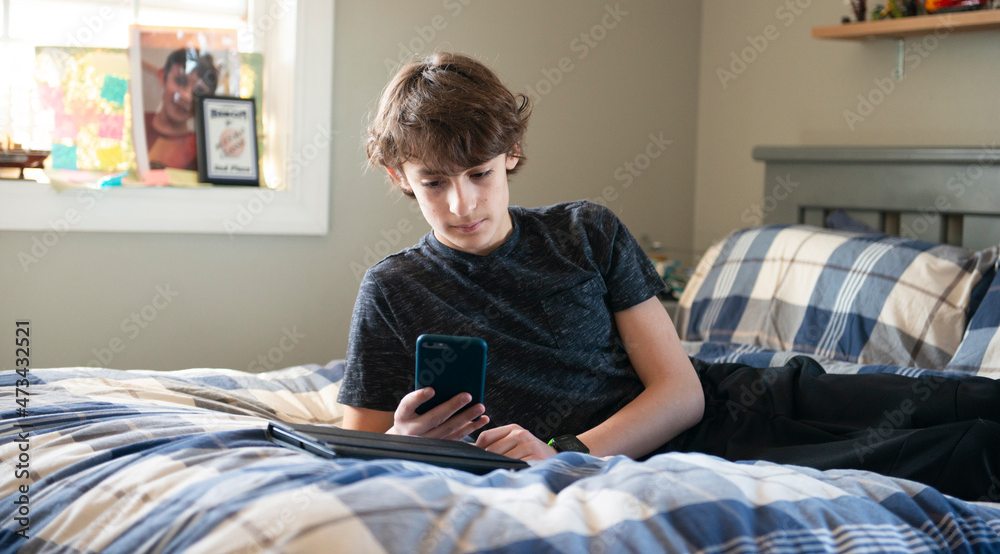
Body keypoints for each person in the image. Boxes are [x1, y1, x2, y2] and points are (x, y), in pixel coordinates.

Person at [339, 51, 1000, 501]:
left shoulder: (585, 231)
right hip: (701, 461)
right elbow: (355, 452)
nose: (461, 204)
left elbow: (681, 390)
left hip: (749, 399)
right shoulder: (393, 290)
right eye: (434, 183)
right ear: (400, 177)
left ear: (510, 153)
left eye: (479, 174)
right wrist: (409, 441)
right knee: (967, 456)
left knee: (967, 402)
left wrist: (562, 450)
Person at [144, 48, 219, 170]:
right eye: (180, 81)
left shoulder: (202, 149)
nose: (187, 96)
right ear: (163, 76)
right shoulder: (136, 123)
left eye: (198, 92)